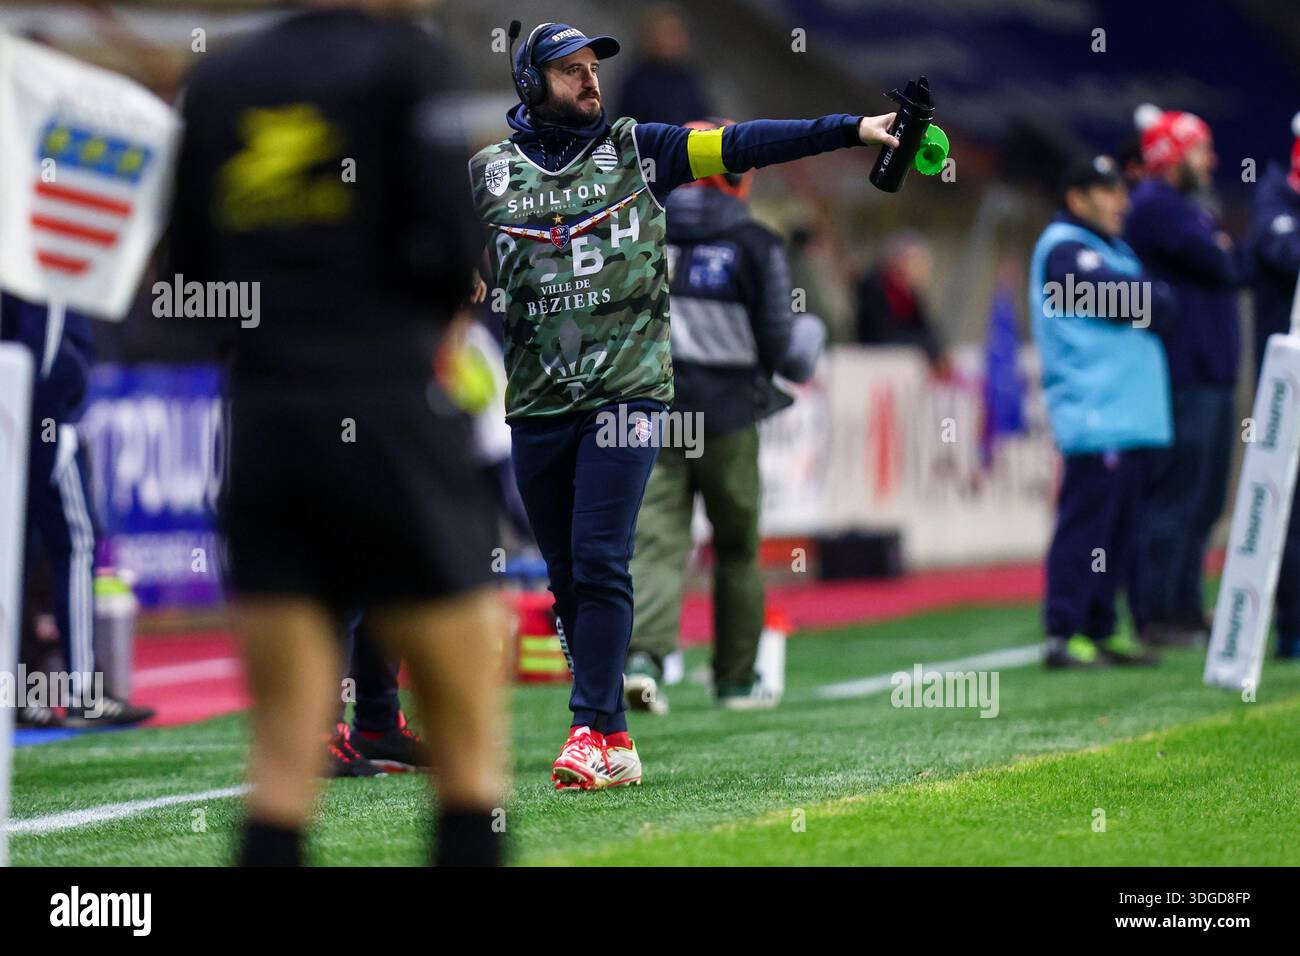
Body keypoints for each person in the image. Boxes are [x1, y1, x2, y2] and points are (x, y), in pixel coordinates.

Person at [470, 20, 901, 791]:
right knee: (567, 575)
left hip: (630, 392)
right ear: (530, 84)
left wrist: (854, 129)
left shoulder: (643, 149)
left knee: (603, 559)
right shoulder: (487, 176)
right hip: (536, 400)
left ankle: (587, 729)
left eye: (593, 68)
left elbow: (742, 144)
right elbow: (445, 260)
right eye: (569, 71)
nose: (590, 80)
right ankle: (614, 734)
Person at [168, 0, 509, 865]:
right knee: (470, 758)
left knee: (282, 759)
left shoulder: (220, 79)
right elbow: (450, 245)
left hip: (266, 422)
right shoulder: (405, 63)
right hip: (393, 410)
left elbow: (189, 269)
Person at [624, 120, 825, 713]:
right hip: (729, 417)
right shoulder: (757, 244)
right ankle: (735, 680)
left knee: (656, 543)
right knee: (736, 548)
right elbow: (787, 353)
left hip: (652, 412)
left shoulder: (637, 230)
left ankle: (643, 659)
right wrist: (813, 331)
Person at [1030, 155, 1174, 668]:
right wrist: (1155, 301)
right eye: (1108, 191)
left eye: (1121, 190)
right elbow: (1133, 302)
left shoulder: (1109, 248)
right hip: (1096, 415)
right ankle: (1063, 631)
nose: (1122, 201)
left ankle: (1101, 627)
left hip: (1129, 417)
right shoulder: (1064, 248)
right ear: (1076, 199)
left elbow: (1154, 303)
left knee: (1120, 533)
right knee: (1087, 525)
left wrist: (1155, 301)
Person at [0, 293, 154, 726]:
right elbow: (43, 352)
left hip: (23, 413)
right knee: (75, 543)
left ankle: (15, 690)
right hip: (42, 417)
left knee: (19, 551)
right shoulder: (43, 263)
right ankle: (82, 689)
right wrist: (45, 428)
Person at [1124, 105, 1246, 647]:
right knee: (1176, 495)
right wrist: (1221, 251)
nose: (1212, 160)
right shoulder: (1158, 205)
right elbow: (1223, 265)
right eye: (1200, 149)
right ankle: (1158, 613)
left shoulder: (1183, 206)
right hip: (1184, 371)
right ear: (1173, 155)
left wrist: (1223, 252)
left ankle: (1186, 609)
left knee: (1204, 499)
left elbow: (1225, 262)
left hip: (1209, 372)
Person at [1244, 112, 1300, 660]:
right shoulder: (1274, 208)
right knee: (1287, 503)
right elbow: (1287, 255)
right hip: (1287, 385)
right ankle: (1289, 627)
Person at [854, 233, 947, 373]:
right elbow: (883, 336)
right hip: (873, 369)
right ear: (900, 262)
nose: (922, 270)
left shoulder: (910, 295)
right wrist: (926, 346)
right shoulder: (875, 290)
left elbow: (930, 331)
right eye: (917, 262)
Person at [614, 3, 711, 126]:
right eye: (669, 33)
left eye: (678, 32)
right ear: (650, 36)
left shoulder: (689, 78)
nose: (676, 40)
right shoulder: (636, 83)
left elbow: (703, 118)